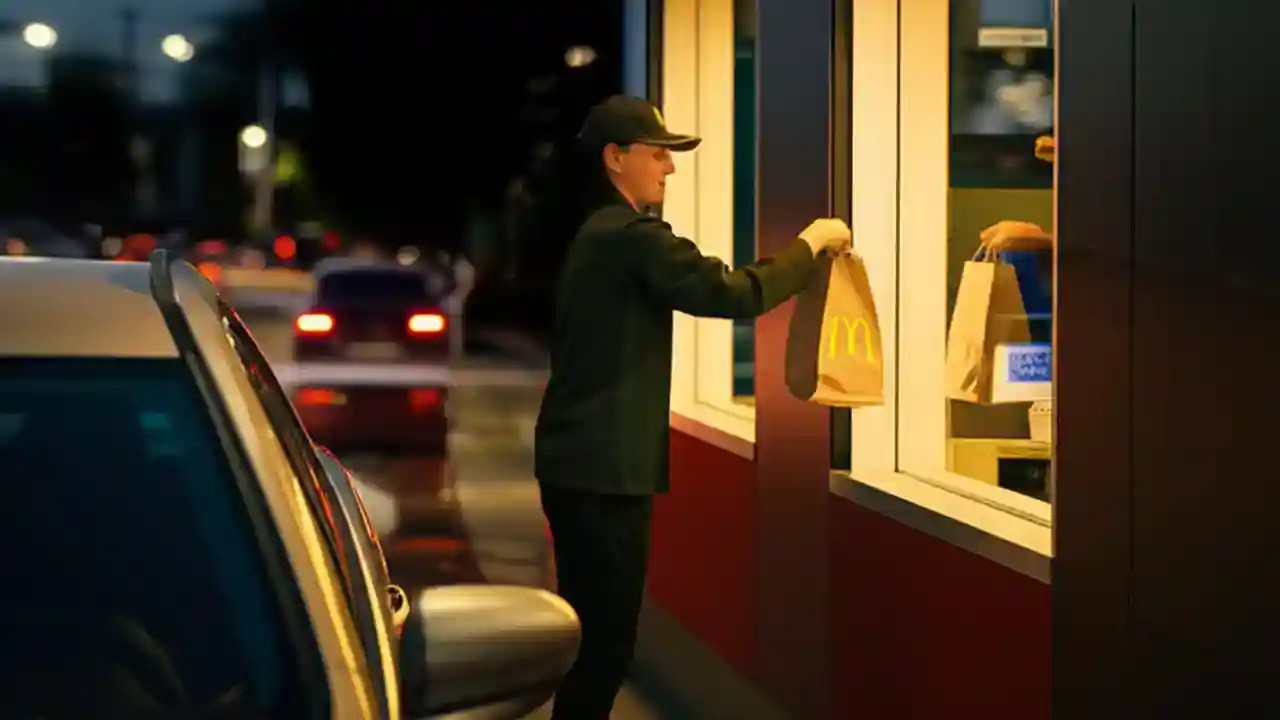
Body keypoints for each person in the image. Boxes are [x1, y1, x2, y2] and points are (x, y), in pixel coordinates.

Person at [533, 94, 851, 719]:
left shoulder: (595, 235)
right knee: (604, 647)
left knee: (592, 642)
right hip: (603, 471)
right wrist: (811, 246)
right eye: (658, 154)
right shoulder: (630, 238)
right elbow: (733, 292)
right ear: (615, 158)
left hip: (583, 463)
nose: (669, 169)